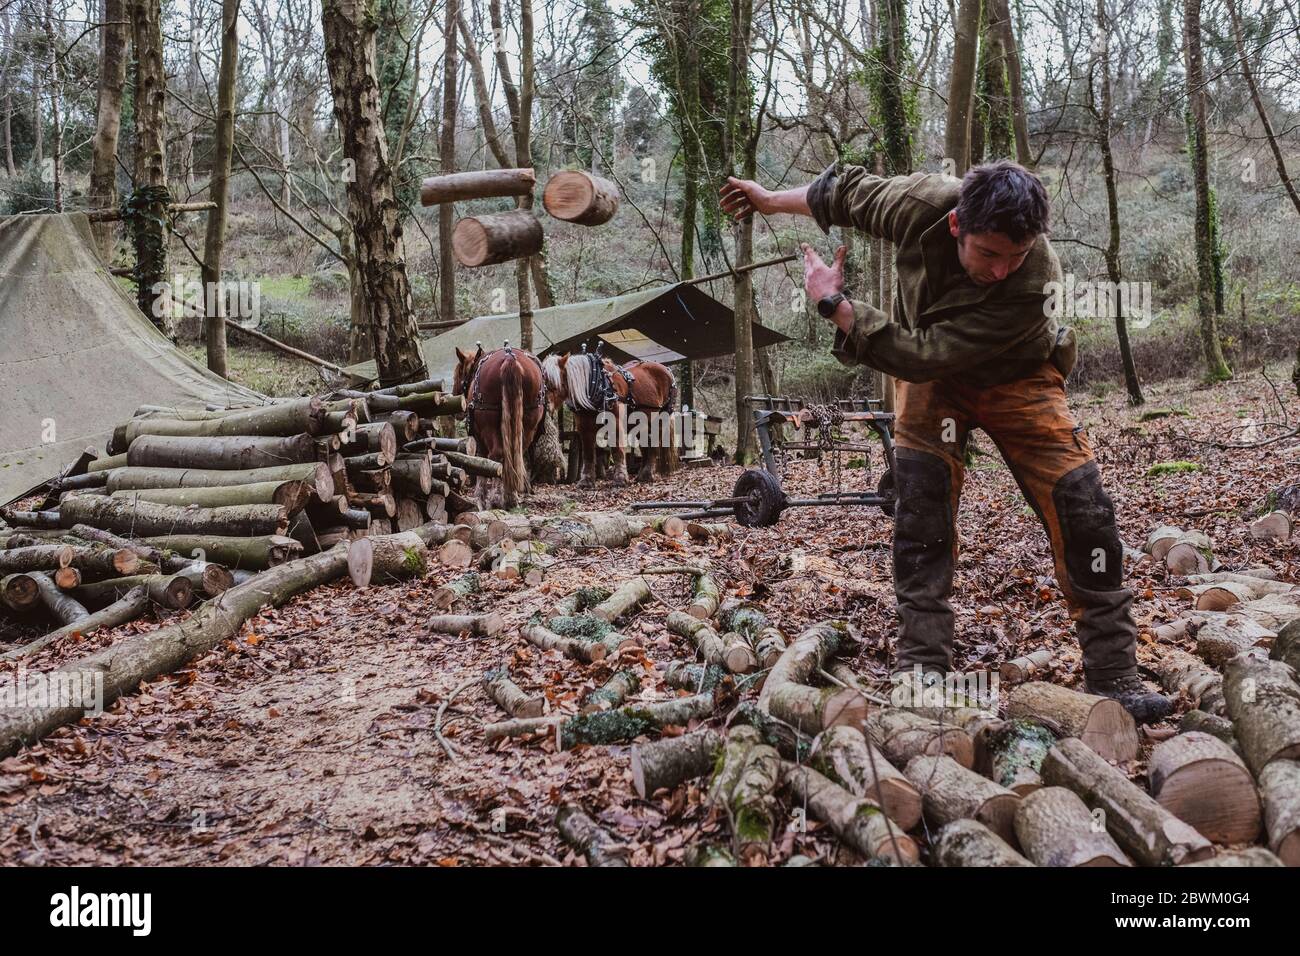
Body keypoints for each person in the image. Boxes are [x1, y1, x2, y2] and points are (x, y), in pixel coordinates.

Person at [720, 160, 1171, 722]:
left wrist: (837, 307)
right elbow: (842, 194)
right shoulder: (921, 204)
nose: (1004, 269)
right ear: (957, 225)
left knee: (1084, 508)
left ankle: (1114, 674)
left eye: (1017, 254)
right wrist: (768, 200)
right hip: (933, 381)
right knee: (920, 510)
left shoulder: (1035, 282)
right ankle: (922, 667)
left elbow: (922, 351)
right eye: (989, 254)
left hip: (1018, 377)